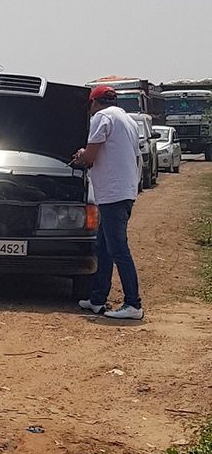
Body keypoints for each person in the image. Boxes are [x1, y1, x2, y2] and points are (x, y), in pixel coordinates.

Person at [74, 85, 144, 321]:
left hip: (112, 194)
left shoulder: (101, 118)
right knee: (103, 247)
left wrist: (80, 156)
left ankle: (133, 303)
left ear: (94, 103)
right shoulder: (128, 120)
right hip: (124, 191)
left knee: (118, 249)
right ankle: (97, 299)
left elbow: (91, 157)